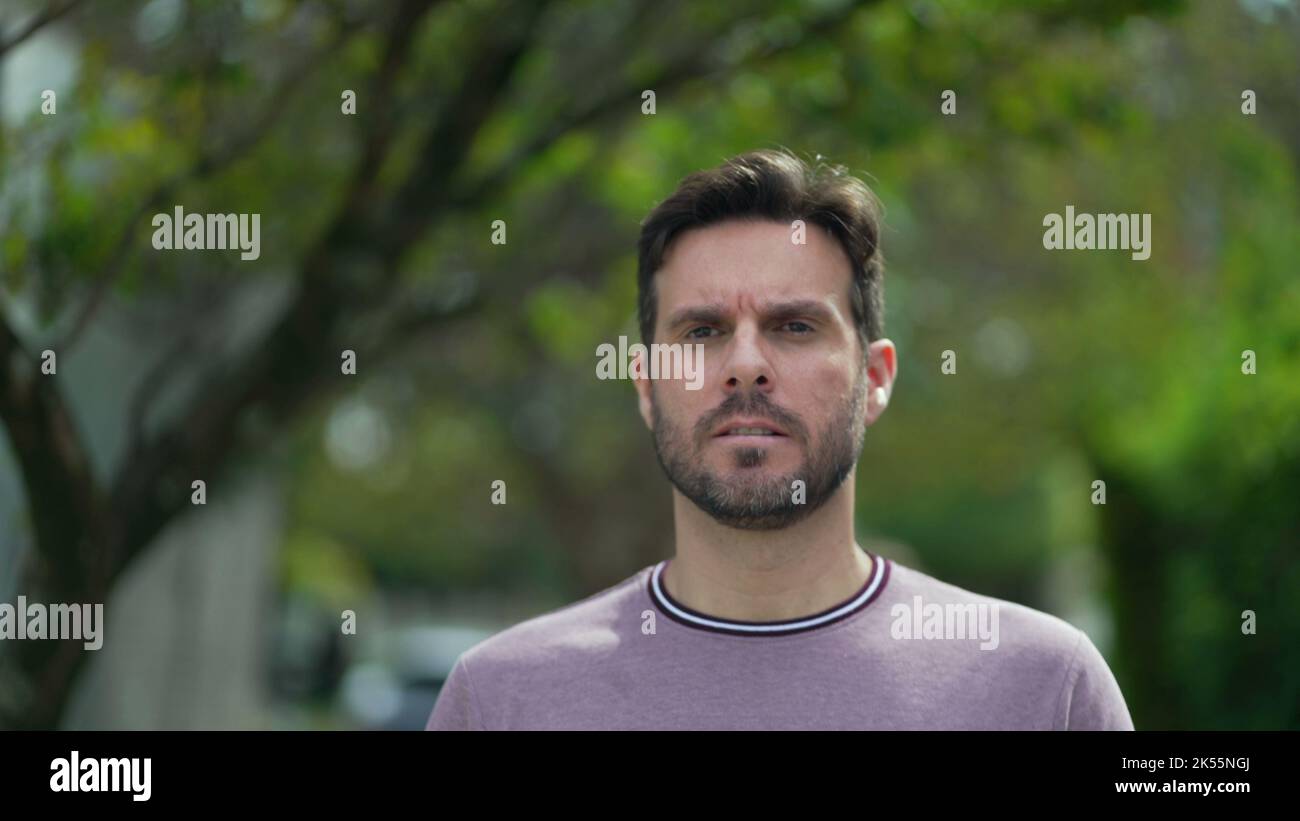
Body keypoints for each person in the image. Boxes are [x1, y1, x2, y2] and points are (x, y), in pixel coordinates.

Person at [426, 148, 1133, 730]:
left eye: (795, 326)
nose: (745, 366)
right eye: (700, 331)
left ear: (875, 377)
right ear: (645, 383)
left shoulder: (1043, 690)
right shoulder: (500, 702)